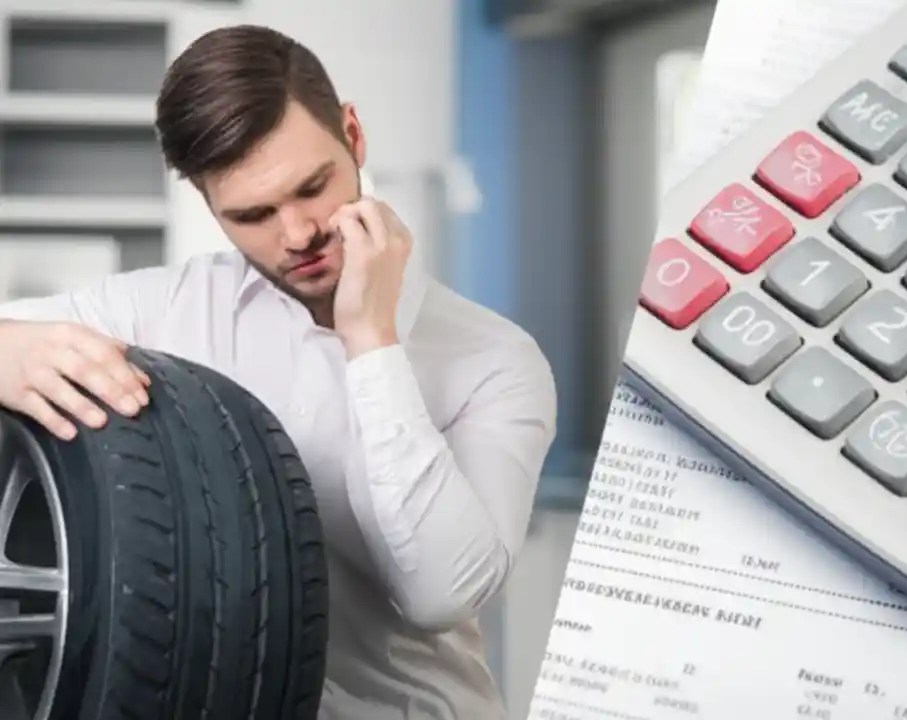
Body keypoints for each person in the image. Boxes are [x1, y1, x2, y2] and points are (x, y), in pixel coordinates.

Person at [0, 24, 557, 720]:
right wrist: (7, 349)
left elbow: (439, 593)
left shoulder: (496, 361)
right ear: (208, 203)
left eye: (312, 187)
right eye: (253, 215)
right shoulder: (166, 310)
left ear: (352, 135)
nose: (296, 235)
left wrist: (370, 340)